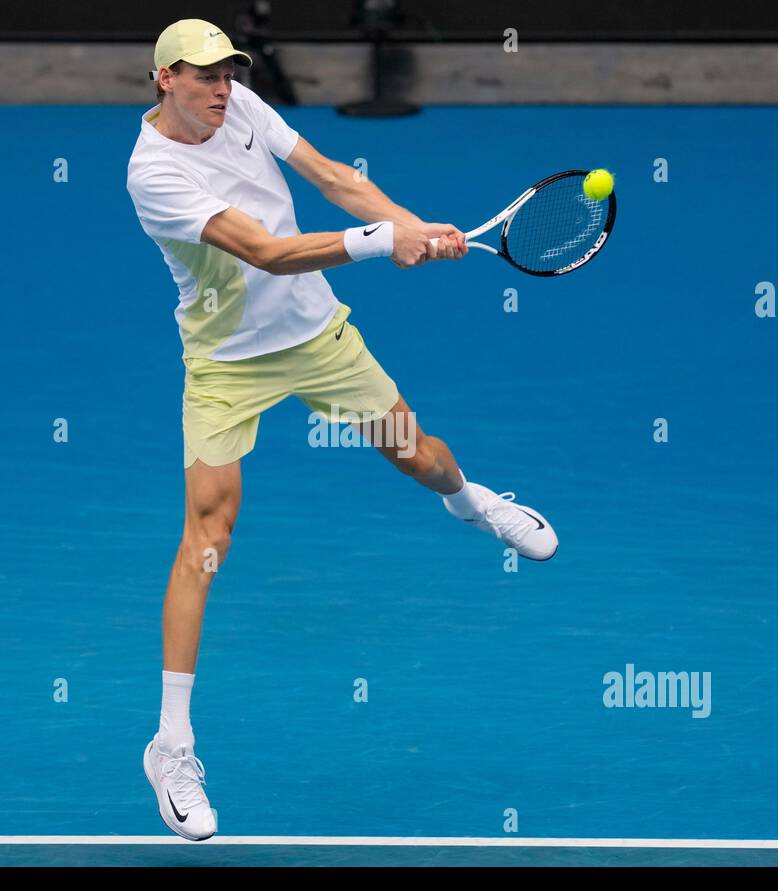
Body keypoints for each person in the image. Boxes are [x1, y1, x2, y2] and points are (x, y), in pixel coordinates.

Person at [127, 18, 558, 841]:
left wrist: (409, 224)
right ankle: (171, 743)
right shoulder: (154, 174)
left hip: (319, 338)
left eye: (229, 74)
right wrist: (378, 242)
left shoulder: (242, 108)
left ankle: (474, 505)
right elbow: (266, 252)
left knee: (419, 457)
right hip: (226, 364)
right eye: (205, 77)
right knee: (206, 536)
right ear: (164, 80)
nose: (222, 89)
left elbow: (329, 174)